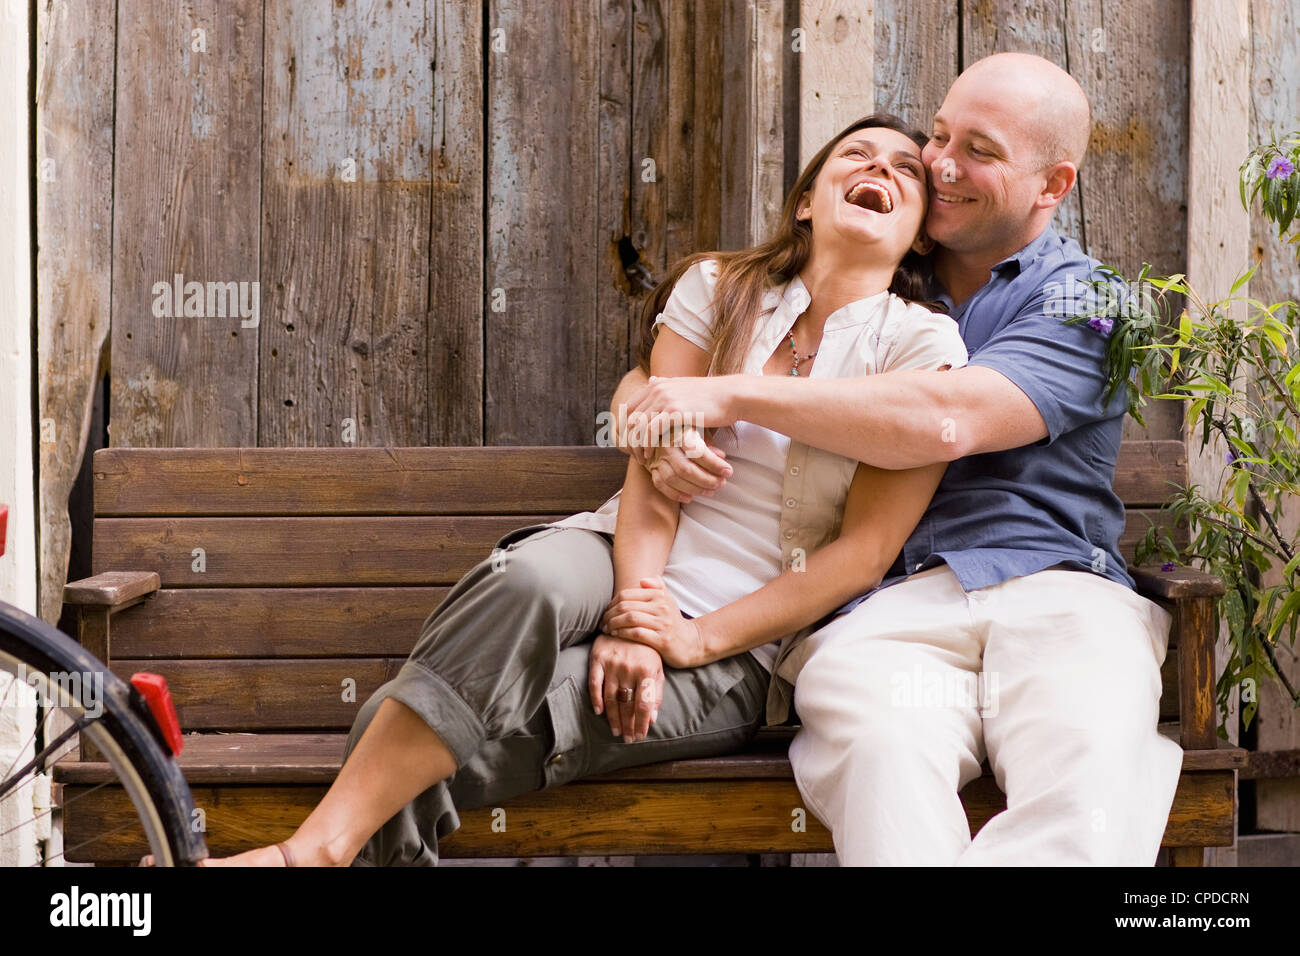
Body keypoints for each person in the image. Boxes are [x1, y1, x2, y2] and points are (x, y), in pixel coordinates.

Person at [169, 113, 967, 867]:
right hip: (621, 550)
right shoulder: (718, 288)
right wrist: (636, 610)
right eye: (857, 155)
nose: (880, 170)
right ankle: (310, 856)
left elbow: (862, 556)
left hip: (740, 646)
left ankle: (309, 853)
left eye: (906, 170)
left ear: (922, 229)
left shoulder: (921, 347)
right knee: (530, 580)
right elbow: (652, 475)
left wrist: (681, 640)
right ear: (805, 201)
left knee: (484, 719)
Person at [611, 52, 1183, 866]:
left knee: (1087, 767)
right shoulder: (872, 264)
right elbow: (689, 355)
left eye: (979, 151)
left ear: (1052, 186)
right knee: (875, 747)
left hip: (1058, 590)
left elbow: (946, 421)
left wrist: (726, 398)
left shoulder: (1087, 298)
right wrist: (648, 410)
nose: (940, 164)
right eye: (941, 136)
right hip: (888, 603)